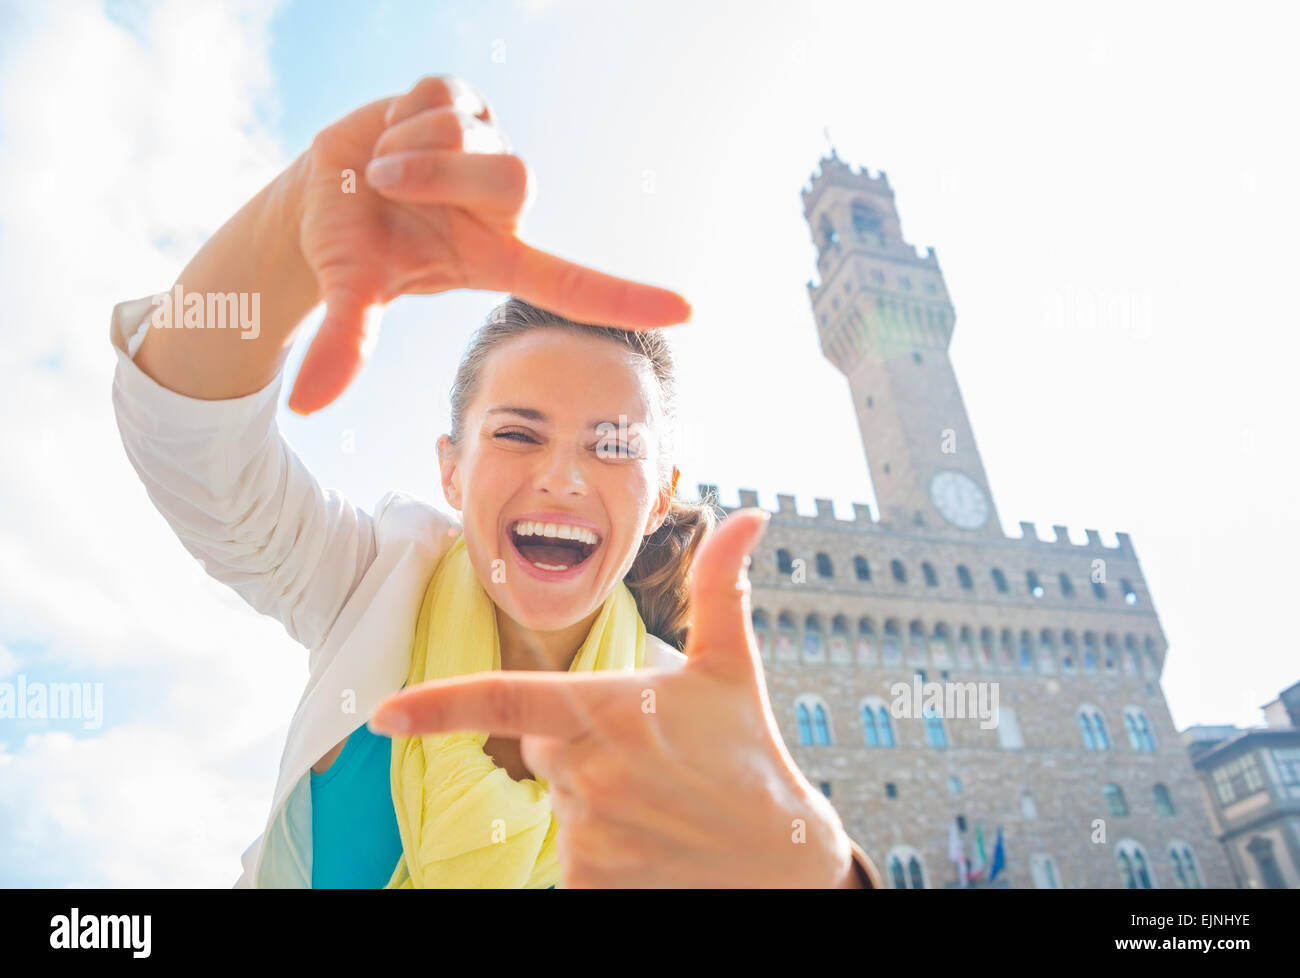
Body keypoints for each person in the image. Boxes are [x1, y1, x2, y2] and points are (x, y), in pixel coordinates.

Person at [110, 74, 882, 888]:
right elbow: (187, 438)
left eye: (613, 446)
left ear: (659, 497)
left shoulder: (675, 730)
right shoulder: (370, 585)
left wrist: (819, 871)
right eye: (517, 433)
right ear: (451, 468)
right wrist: (296, 218)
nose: (563, 477)